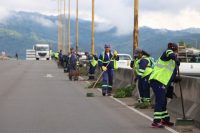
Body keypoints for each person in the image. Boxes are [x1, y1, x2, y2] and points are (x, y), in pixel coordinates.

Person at [149, 42, 180, 128]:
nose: (177, 53)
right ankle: (156, 122)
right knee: (160, 101)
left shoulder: (172, 62)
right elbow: (169, 52)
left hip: (162, 82)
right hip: (157, 80)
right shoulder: (167, 53)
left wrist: (175, 78)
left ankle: (165, 120)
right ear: (174, 49)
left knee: (163, 102)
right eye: (176, 51)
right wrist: (175, 58)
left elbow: (169, 74)